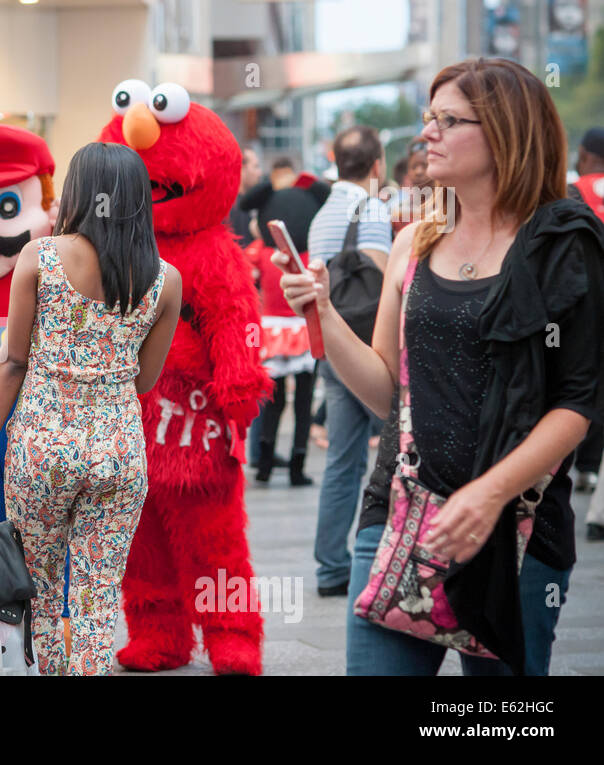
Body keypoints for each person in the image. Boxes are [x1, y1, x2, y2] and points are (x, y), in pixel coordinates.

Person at [277, 58, 604, 676]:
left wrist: (489, 494)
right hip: (399, 518)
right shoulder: (416, 242)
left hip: (517, 534)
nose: (426, 134)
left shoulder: (561, 244)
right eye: (429, 119)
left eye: (447, 121)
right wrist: (321, 311)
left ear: (505, 131)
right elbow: (385, 390)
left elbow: (576, 404)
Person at [0, 142, 180, 676]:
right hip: (118, 453)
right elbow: (145, 378)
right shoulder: (165, 279)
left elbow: (11, 362)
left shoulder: (40, 258)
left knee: (39, 587)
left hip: (42, 449)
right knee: (97, 595)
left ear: (79, 193)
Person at [304, 124, 392, 597]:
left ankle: (331, 566)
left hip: (331, 347)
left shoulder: (322, 216)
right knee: (396, 455)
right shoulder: (373, 207)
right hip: (369, 351)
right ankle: (384, 558)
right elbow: (381, 278)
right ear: (377, 166)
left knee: (342, 460)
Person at [238, 164, 330, 486]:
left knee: (273, 401)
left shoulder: (262, 254)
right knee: (303, 402)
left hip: (271, 331)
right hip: (304, 330)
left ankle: (264, 463)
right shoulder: (312, 257)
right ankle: (296, 466)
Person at [566, 126, 604, 501]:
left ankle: (587, 466)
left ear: (587, 155)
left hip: (586, 302)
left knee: (587, 380)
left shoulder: (573, 193)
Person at [228, 147, 262, 247]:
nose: (259, 173)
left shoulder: (247, 203)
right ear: (242, 168)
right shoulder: (232, 206)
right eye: (255, 166)